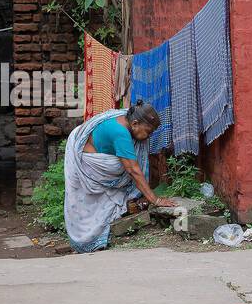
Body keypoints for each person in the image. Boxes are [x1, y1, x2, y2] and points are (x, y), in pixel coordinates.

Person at [62, 100, 177, 253]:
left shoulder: (126, 117)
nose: (148, 137)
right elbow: (133, 170)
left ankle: (103, 230)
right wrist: (156, 200)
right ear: (135, 123)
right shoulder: (121, 133)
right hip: (88, 163)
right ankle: (87, 239)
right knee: (89, 205)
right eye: (148, 132)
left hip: (96, 150)